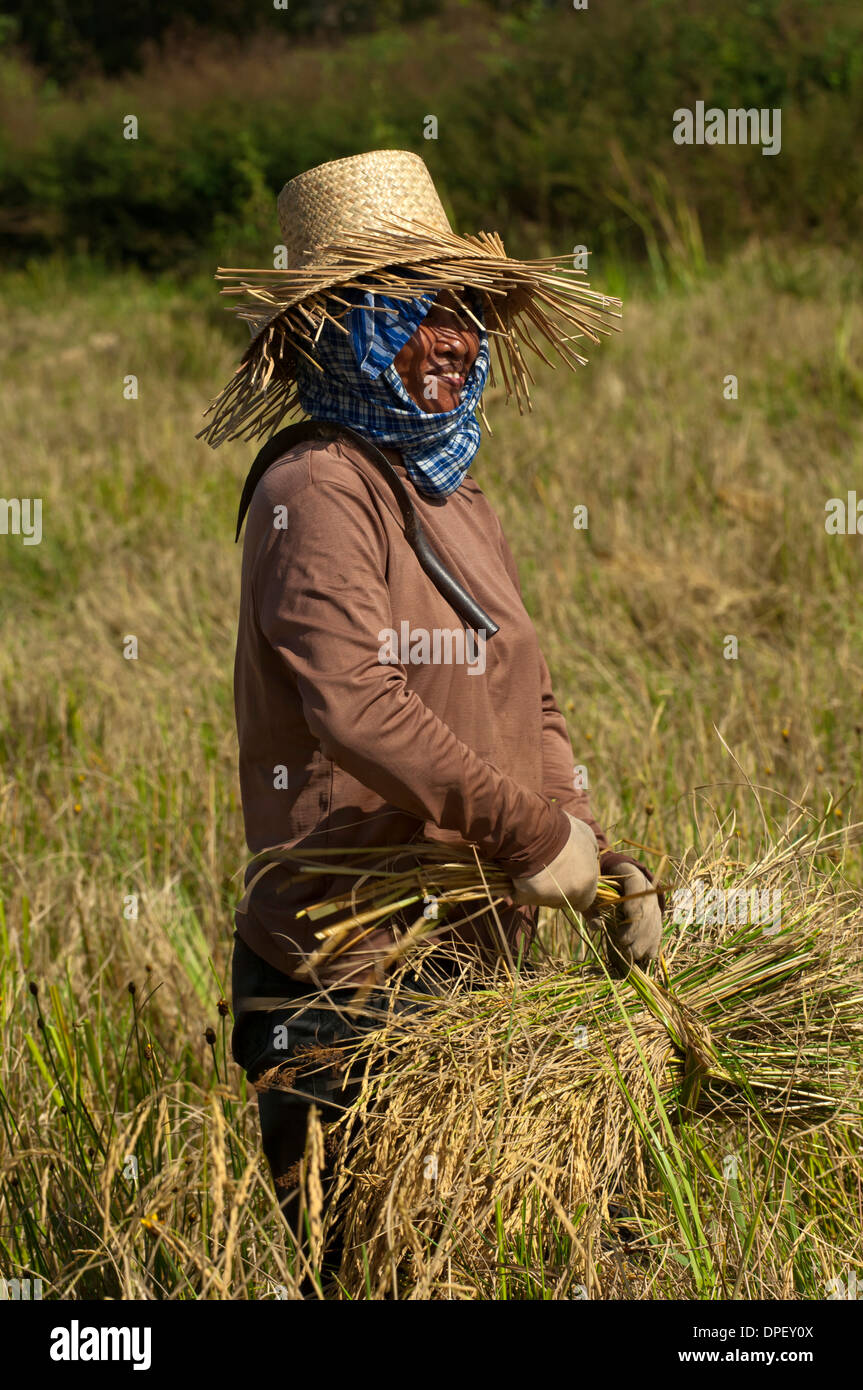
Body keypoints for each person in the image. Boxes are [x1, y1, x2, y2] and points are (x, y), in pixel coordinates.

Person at [198, 150, 663, 1263]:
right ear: (335, 329)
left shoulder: (458, 497)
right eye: (413, 308)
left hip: (475, 970)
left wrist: (592, 851)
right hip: (352, 982)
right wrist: (525, 832)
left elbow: (526, 692)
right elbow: (354, 701)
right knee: (379, 1276)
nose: (453, 335)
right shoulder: (315, 488)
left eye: (462, 308)